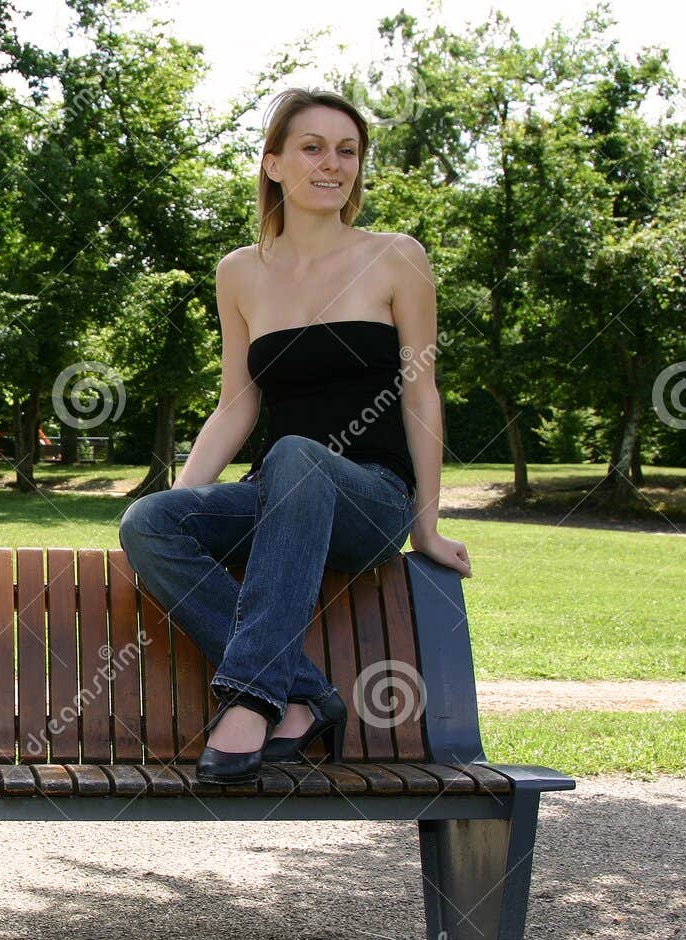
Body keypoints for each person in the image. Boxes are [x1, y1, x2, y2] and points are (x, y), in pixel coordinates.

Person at [117, 88, 472, 787]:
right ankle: (307, 692)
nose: (331, 164)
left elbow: (422, 391)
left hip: (370, 499)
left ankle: (251, 696)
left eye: (347, 151)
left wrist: (426, 527)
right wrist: (188, 501)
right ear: (274, 163)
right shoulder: (239, 272)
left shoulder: (398, 257)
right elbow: (235, 406)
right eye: (312, 147)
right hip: (278, 494)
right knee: (150, 521)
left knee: (298, 454)